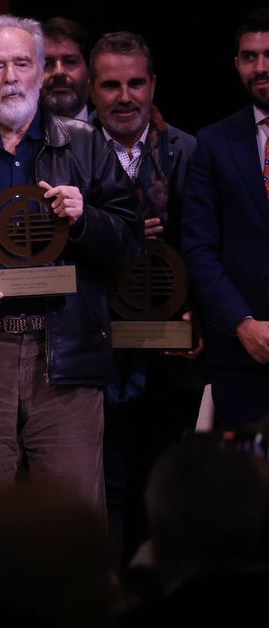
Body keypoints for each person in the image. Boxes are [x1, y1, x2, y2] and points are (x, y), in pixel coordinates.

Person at [0, 15, 137, 506]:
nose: (10, 77)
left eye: (21, 64)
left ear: (40, 71)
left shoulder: (84, 143)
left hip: (64, 352)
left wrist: (85, 218)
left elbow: (129, 241)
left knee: (71, 516)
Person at [88, 31, 203, 564]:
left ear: (153, 84)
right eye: (111, 85)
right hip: (96, 349)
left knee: (166, 486)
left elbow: (204, 243)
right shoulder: (70, 147)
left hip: (168, 346)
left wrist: (198, 315)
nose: (125, 96)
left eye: (136, 83)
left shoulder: (186, 150)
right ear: (93, 89)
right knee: (103, 486)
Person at [181, 8, 269, 427]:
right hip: (241, 353)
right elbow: (199, 247)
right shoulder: (213, 142)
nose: (261, 67)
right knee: (245, 488)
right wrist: (242, 323)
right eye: (249, 57)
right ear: (236, 64)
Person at [41, 17, 92, 121]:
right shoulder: (15, 135)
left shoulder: (108, 132)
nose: (59, 72)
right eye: (47, 64)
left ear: (89, 71)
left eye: (70, 62)